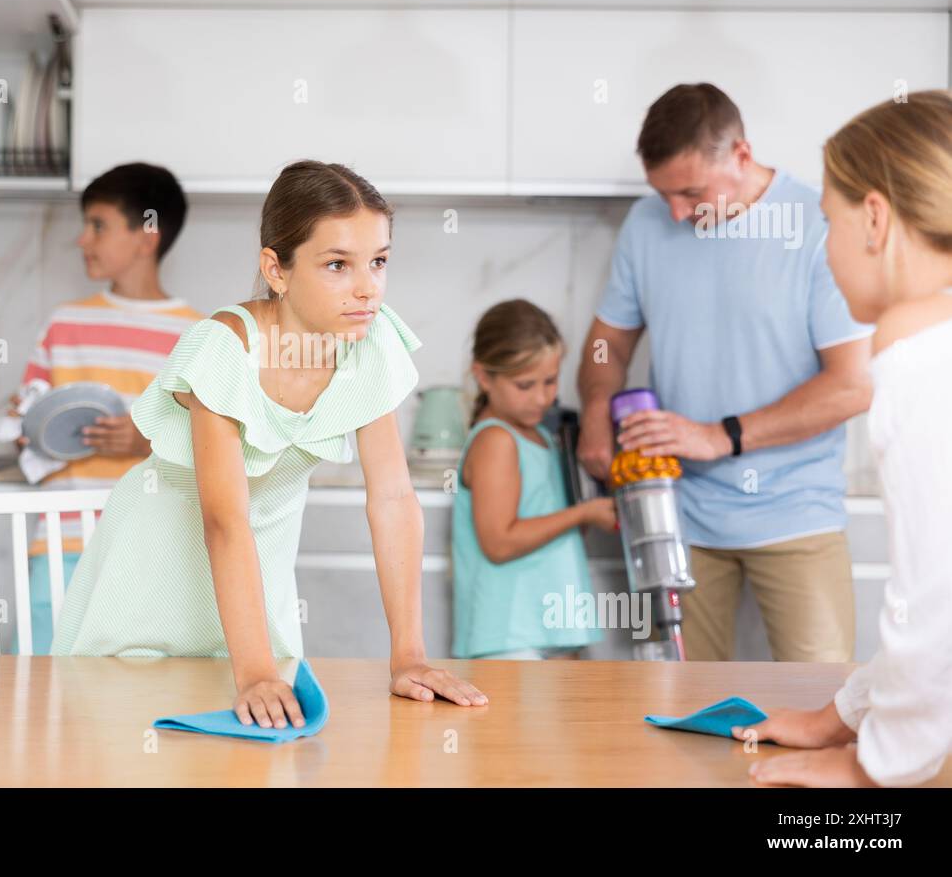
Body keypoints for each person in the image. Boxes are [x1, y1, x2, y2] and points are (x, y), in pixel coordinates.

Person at [51, 160, 487, 727]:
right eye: (337, 264)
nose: (367, 288)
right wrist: (254, 671)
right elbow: (225, 519)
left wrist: (408, 658)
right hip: (153, 584)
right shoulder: (223, 349)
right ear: (276, 270)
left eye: (378, 262)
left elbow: (394, 500)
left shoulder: (368, 341)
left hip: (256, 600)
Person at [576, 82, 873, 663]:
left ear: (741, 155)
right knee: (679, 709)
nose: (677, 214)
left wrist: (718, 436)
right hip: (676, 514)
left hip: (796, 514)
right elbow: (608, 341)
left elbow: (852, 383)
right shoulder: (646, 224)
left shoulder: (816, 225)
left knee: (823, 698)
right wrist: (593, 410)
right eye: (663, 195)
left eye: (690, 193)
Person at [727, 90, 952, 787]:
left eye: (829, 221)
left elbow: (936, 600)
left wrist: (870, 769)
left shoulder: (920, 359)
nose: (824, 250)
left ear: (876, 219)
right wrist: (843, 718)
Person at [5, 163, 202, 654]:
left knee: (134, 688)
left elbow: (211, 446)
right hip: (62, 542)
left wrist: (145, 440)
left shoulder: (197, 336)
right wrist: (28, 423)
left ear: (147, 234)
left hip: (151, 548)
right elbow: (21, 432)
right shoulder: (65, 324)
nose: (82, 240)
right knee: (35, 680)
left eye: (98, 225)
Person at [452, 299, 615, 661]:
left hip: (547, 629)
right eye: (525, 385)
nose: (542, 397)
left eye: (551, 381)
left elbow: (545, 525)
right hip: (509, 636)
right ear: (483, 376)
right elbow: (499, 542)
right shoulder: (496, 440)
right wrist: (584, 513)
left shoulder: (540, 435)